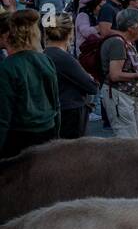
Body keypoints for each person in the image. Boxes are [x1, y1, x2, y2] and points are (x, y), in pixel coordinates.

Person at [0, 9, 61, 157]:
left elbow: (3, 117)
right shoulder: (44, 59)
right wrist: (57, 139)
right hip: (47, 134)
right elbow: (56, 104)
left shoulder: (7, 67)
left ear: (6, 36)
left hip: (19, 140)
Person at [100, 7, 138, 138]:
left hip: (128, 95)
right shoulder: (117, 43)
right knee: (127, 139)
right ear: (131, 27)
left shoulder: (127, 42)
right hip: (120, 96)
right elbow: (115, 75)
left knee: (133, 137)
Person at [42, 13, 96, 139]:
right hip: (70, 111)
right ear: (70, 33)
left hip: (57, 109)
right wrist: (89, 77)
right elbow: (91, 87)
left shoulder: (44, 54)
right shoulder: (63, 57)